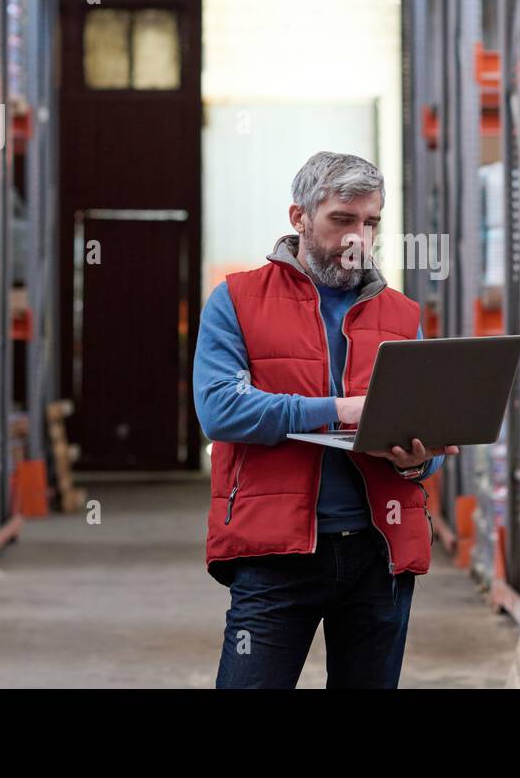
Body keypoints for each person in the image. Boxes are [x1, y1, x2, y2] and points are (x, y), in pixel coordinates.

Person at [195, 151, 458, 689]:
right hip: (276, 554)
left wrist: (417, 461)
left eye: (371, 222)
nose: (358, 237)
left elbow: (424, 441)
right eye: (343, 220)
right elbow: (220, 408)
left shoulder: (402, 315)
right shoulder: (237, 301)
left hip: (378, 552)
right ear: (299, 218)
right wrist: (336, 411)